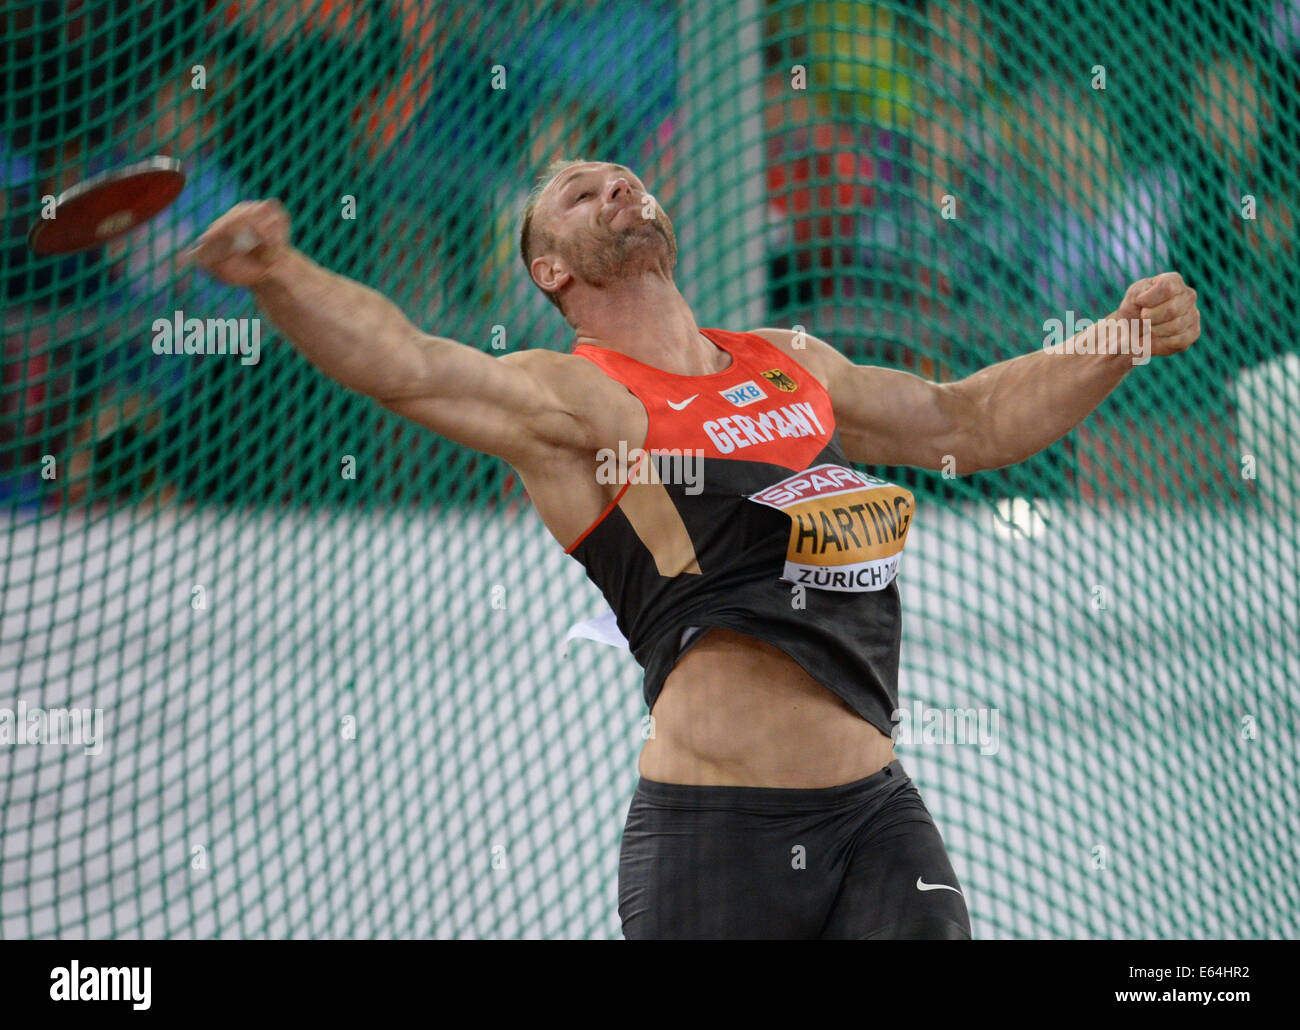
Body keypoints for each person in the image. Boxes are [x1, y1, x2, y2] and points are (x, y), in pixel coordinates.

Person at [189, 160, 1200, 939]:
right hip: (717, 831)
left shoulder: (792, 364)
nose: (613, 184)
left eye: (619, 176)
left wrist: (1112, 339)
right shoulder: (579, 398)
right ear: (551, 269)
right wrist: (277, 273)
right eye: (579, 195)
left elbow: (967, 422)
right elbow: (404, 365)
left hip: (879, 814)